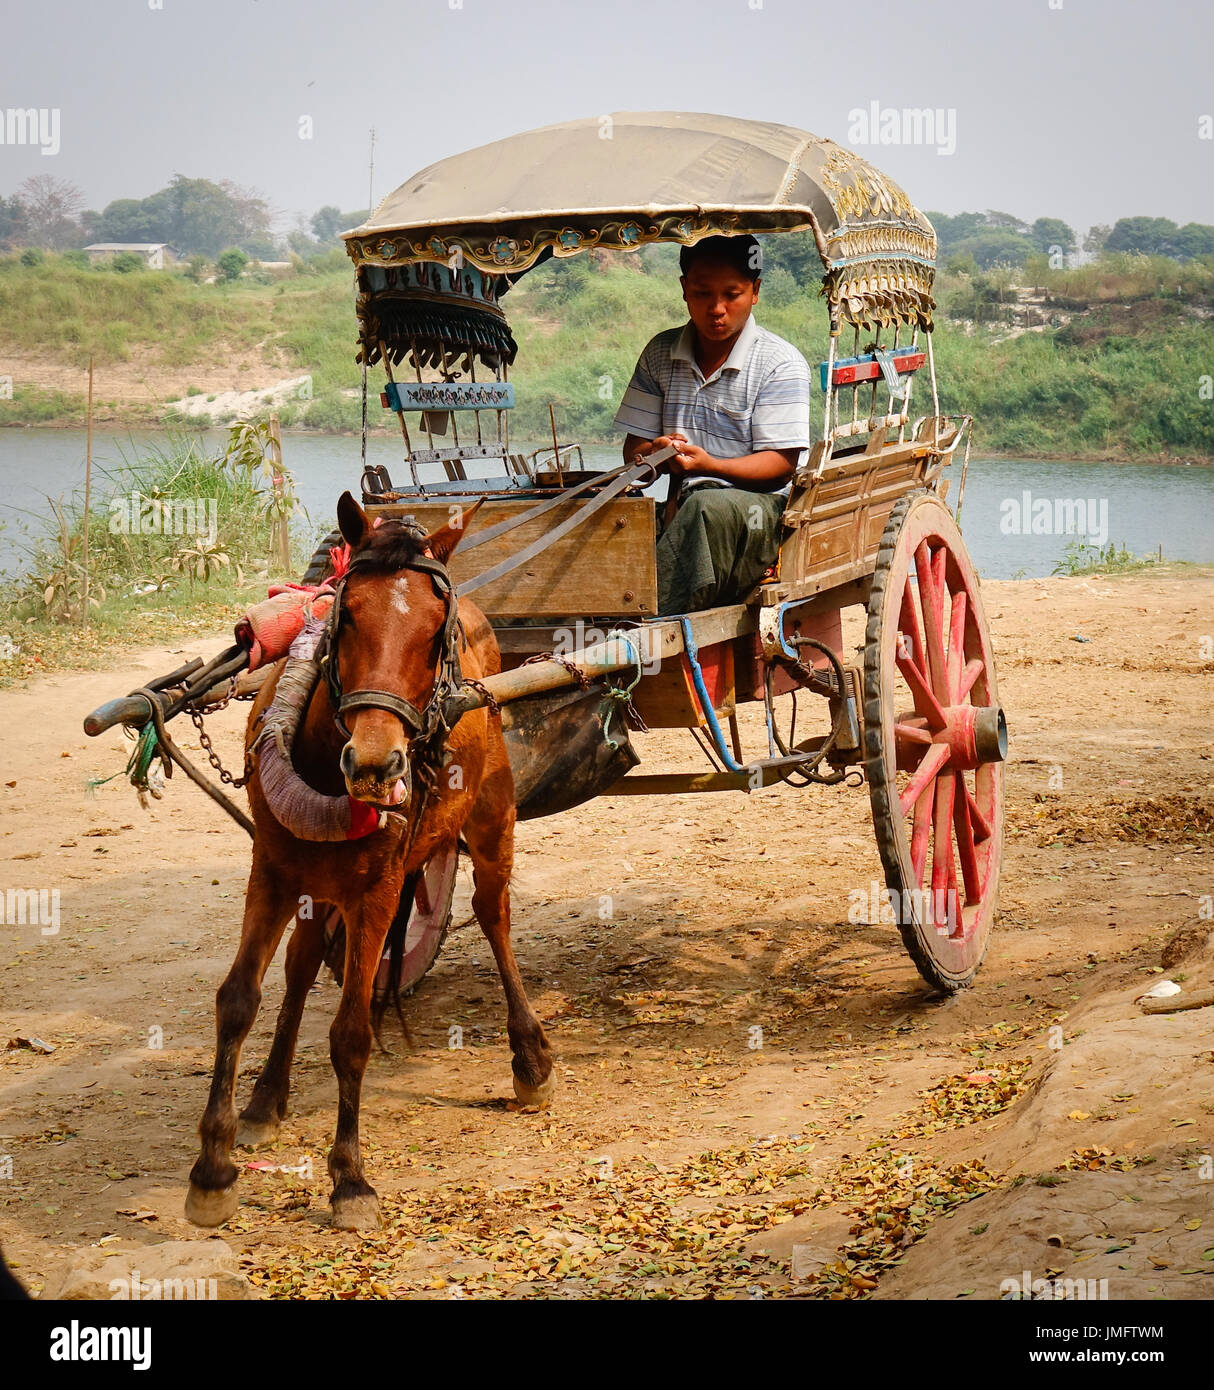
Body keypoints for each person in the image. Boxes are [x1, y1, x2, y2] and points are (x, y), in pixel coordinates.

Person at [614, 234, 810, 614]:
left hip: (757, 518)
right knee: (608, 516)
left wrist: (710, 466)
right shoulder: (659, 354)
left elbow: (781, 467)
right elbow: (633, 458)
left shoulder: (780, 363)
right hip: (683, 509)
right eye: (702, 294)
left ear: (755, 292)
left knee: (705, 506)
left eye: (732, 295)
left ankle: (647, 623)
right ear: (685, 290)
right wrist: (655, 454)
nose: (716, 309)